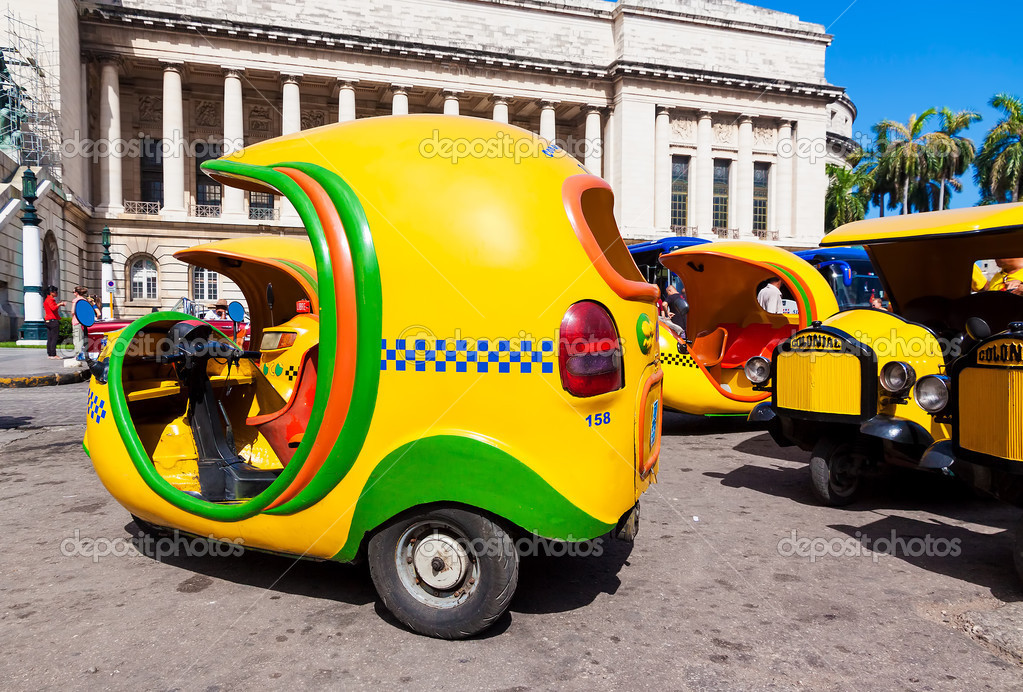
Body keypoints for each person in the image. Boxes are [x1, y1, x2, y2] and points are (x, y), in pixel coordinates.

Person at [43, 285, 66, 359]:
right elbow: (53, 308)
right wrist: (60, 304)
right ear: (51, 292)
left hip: (48, 320)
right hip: (53, 320)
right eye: (55, 291)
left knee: (50, 338)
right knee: (54, 338)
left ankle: (50, 354)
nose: (56, 293)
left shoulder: (46, 299)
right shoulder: (51, 299)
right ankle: (53, 354)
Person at [70, 286, 89, 360]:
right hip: (83, 322)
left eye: (74, 292)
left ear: (77, 293)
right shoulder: (84, 300)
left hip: (76, 321)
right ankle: (82, 353)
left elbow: (72, 311)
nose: (73, 293)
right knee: (82, 338)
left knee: (77, 339)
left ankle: (78, 355)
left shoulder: (75, 300)